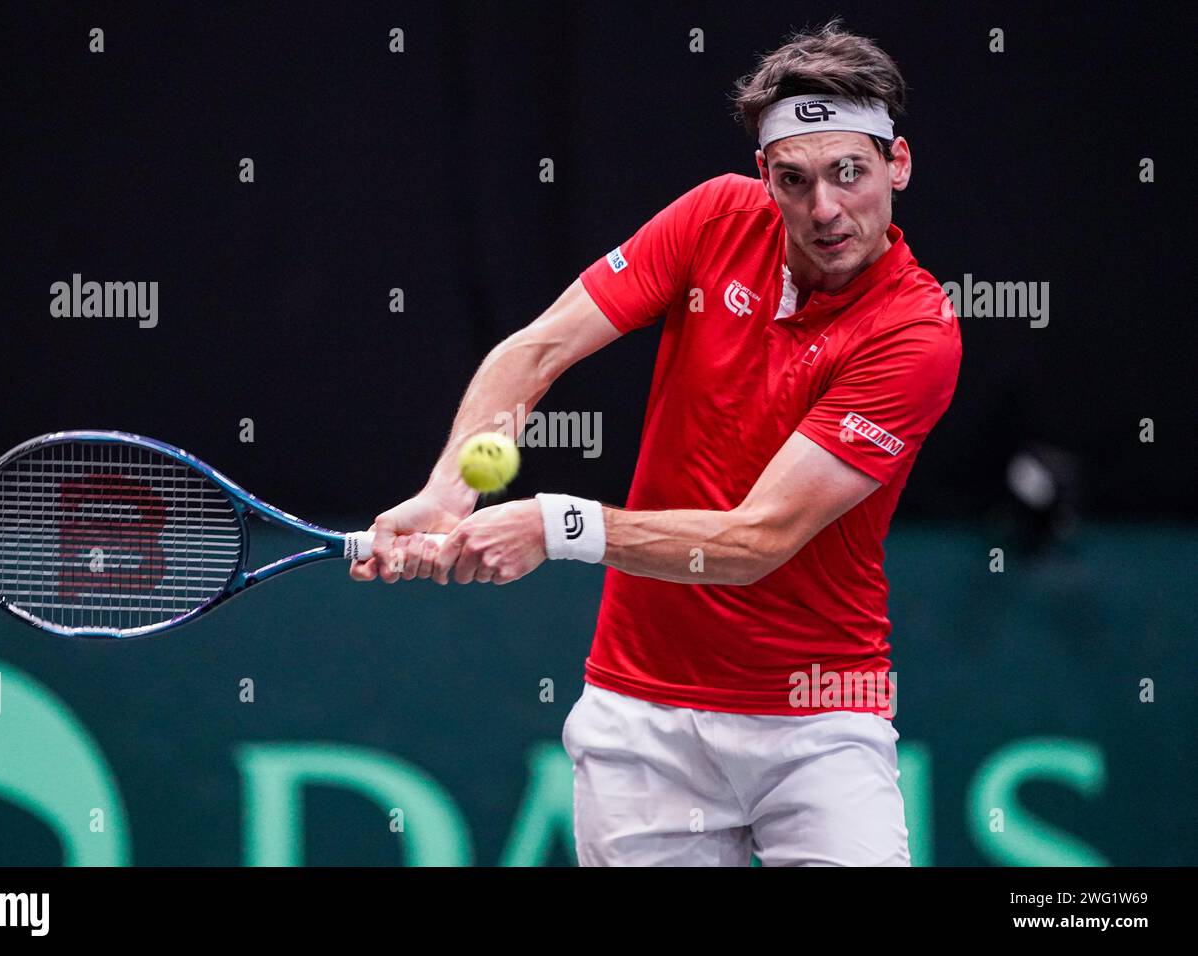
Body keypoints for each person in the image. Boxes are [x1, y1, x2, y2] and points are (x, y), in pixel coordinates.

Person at [350, 19, 961, 866]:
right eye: (795, 179)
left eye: (848, 173)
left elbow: (757, 542)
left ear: (898, 164)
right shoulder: (714, 218)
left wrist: (555, 527)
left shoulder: (916, 336)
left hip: (822, 719)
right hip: (643, 718)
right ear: (765, 177)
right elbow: (535, 350)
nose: (824, 210)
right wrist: (451, 488)